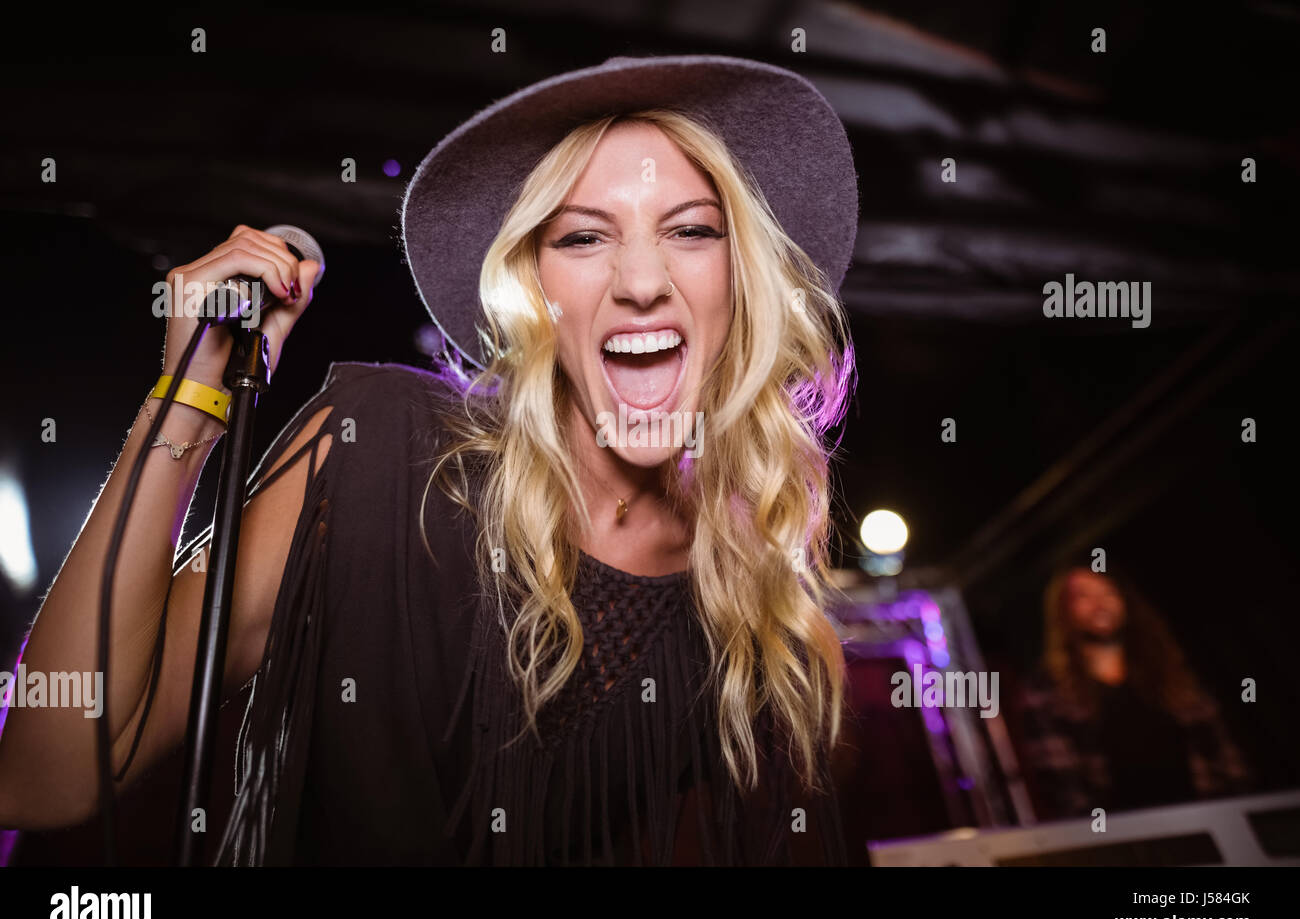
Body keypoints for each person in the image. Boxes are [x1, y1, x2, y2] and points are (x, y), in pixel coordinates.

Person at [0, 54, 861, 865]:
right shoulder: (380, 453)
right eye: (582, 239)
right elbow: (50, 778)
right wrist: (188, 393)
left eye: (692, 230)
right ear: (533, 289)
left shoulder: (746, 603)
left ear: (740, 280)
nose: (641, 280)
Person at [1016, 566, 1252, 821]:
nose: (1100, 604)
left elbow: (1224, 756)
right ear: (1063, 613)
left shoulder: (1171, 675)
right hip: (1124, 842)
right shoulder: (1047, 694)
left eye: (1108, 593)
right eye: (1084, 596)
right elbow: (1064, 790)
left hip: (1206, 824)